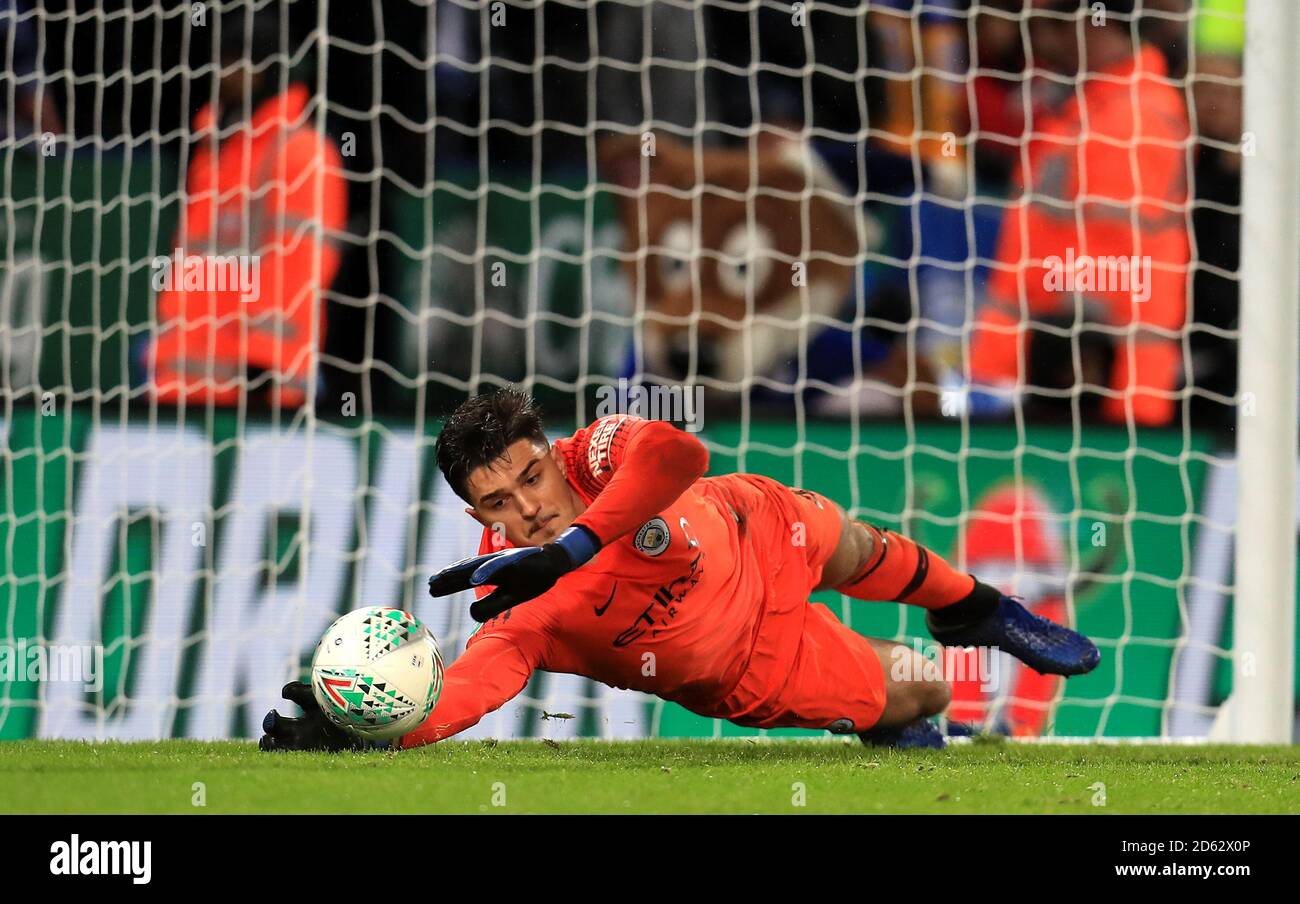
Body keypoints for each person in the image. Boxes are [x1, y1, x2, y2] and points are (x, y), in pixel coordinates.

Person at [260, 387, 1100, 752]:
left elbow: (678, 452)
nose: (528, 508)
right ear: (476, 519)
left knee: (858, 546)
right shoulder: (518, 601)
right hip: (752, 666)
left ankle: (974, 607)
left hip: (753, 523)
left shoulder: (594, 452)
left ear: (551, 455)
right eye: (498, 505)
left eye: (531, 478)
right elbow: (476, 686)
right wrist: (374, 727)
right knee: (925, 690)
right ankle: (905, 716)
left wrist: (576, 546)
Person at [148, 13, 347, 410]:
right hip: (182, 384)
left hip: (258, 392)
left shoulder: (300, 150)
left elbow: (300, 265)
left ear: (263, 69)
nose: (222, 72)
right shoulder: (212, 152)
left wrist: (264, 361)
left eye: (233, 60)